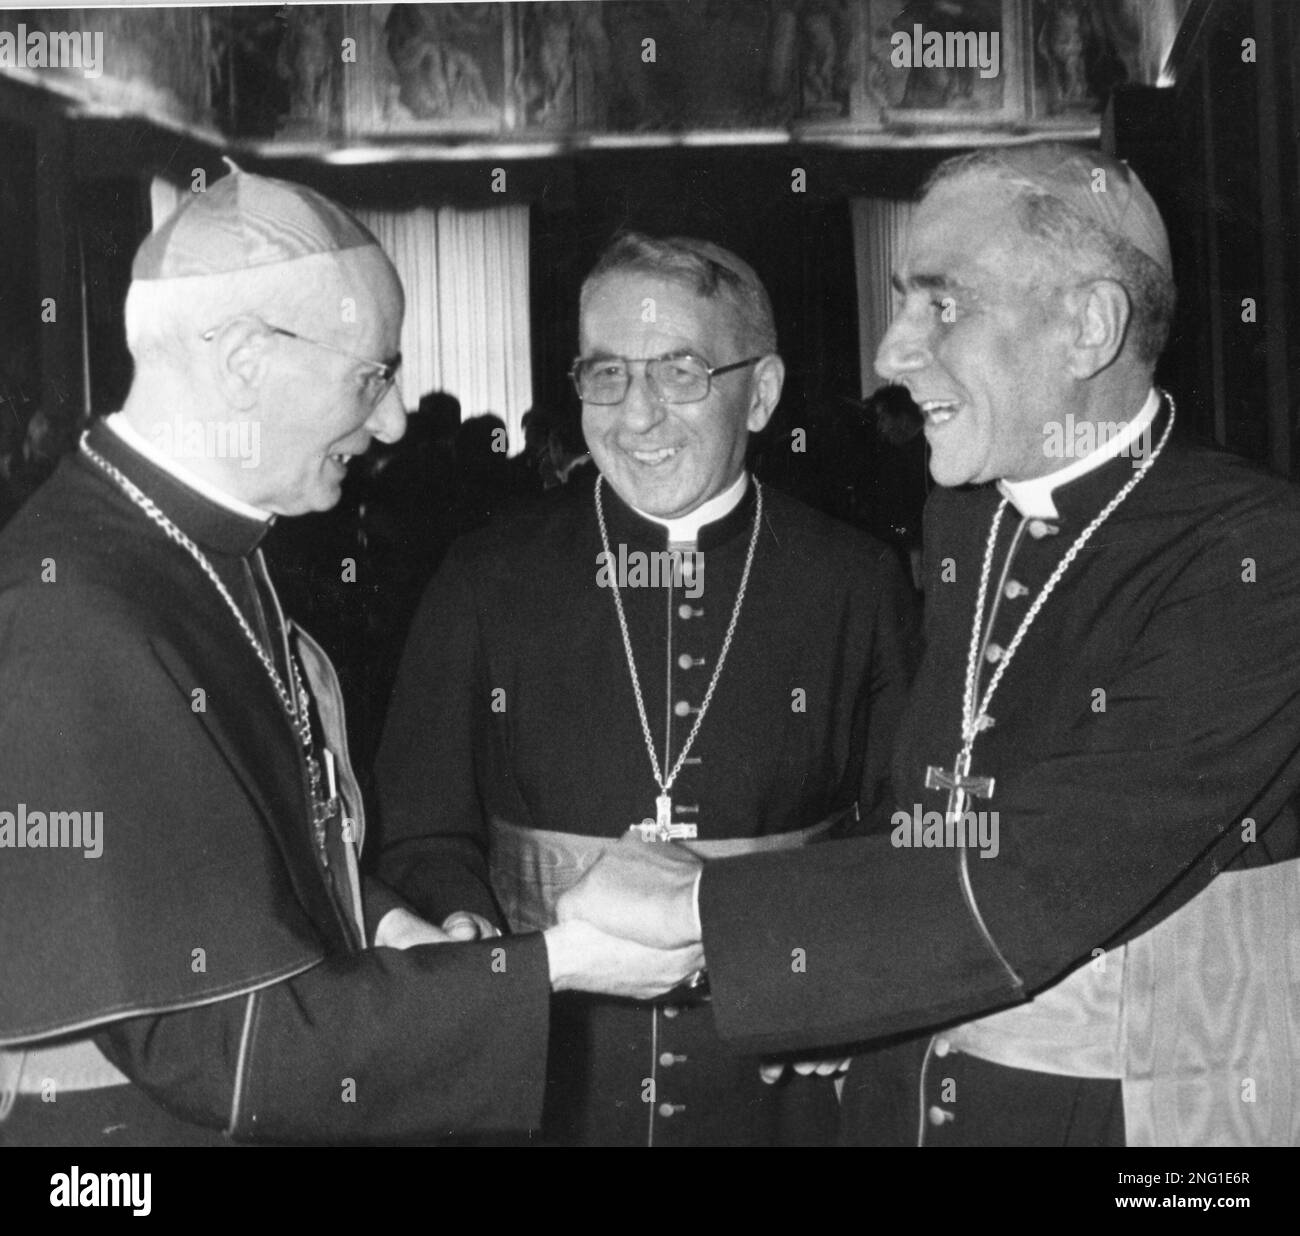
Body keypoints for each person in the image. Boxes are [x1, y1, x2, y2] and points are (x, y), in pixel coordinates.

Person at [558, 142, 1300, 1147]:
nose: (891, 354)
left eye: (939, 305)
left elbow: (1046, 870)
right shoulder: (966, 516)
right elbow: (936, 814)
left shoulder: (1253, 554)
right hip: (909, 1089)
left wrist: (712, 912)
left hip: (1135, 1120)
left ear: (1088, 324)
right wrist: (831, 989)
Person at [0, 169, 701, 1146]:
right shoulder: (75, 615)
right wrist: (556, 962)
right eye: (371, 375)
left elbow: (229, 846)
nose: (394, 422)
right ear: (244, 357)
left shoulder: (196, 550)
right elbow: (217, 1044)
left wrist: (382, 924)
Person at [376, 232, 917, 1146]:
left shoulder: (854, 580)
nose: (638, 417)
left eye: (680, 372)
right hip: (545, 1071)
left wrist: (836, 967)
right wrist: (462, 918)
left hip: (773, 1075)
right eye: (607, 375)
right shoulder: (485, 575)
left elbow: (905, 817)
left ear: (763, 394)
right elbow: (420, 825)